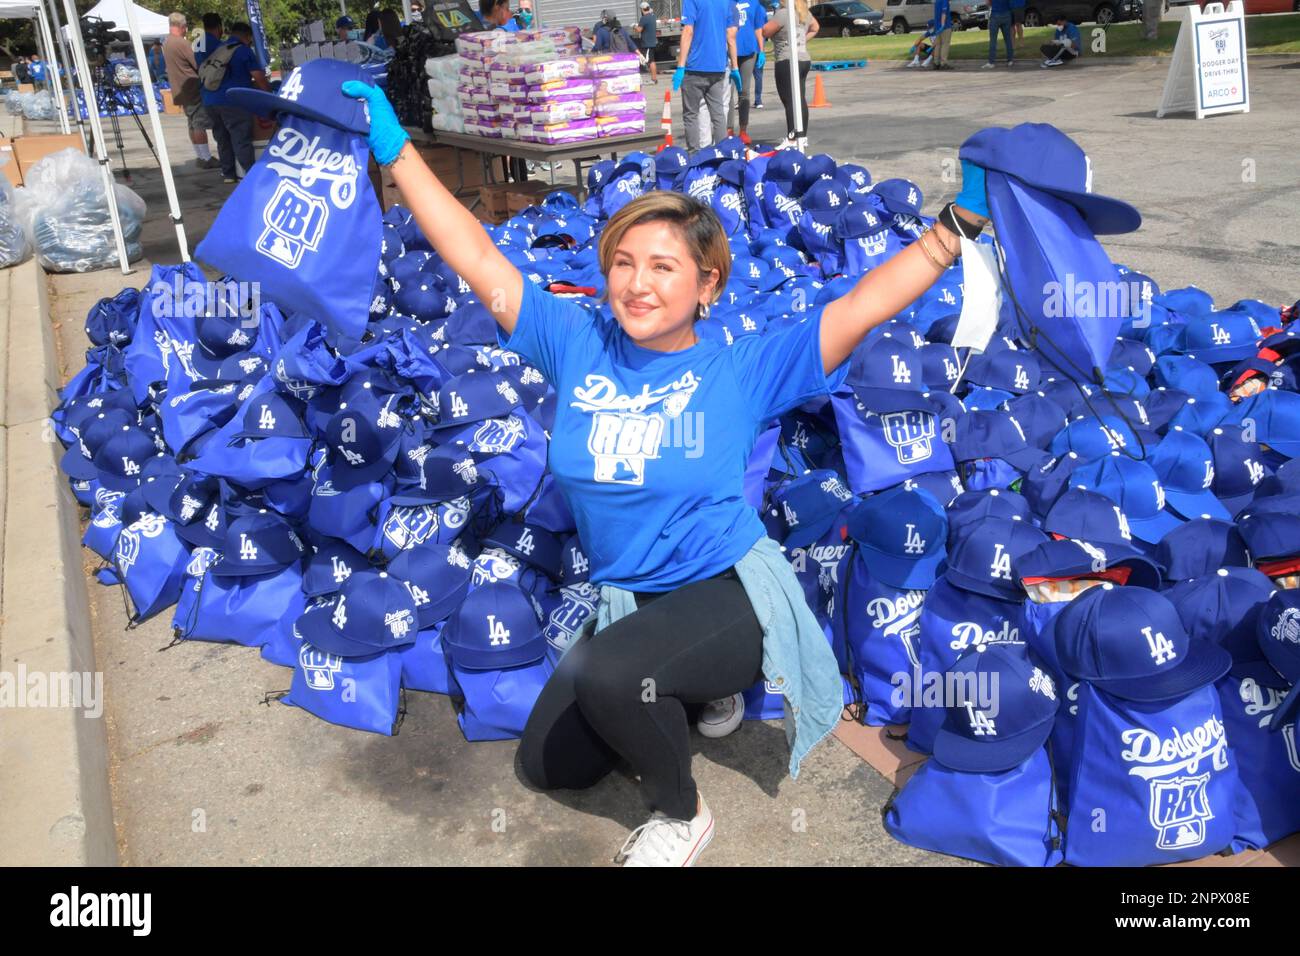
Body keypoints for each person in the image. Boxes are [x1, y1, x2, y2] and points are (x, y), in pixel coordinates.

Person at [342, 76, 992, 866]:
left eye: (661, 267)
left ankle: (682, 814)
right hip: (629, 601)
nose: (637, 283)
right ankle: (676, 685)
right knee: (552, 765)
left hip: (726, 591)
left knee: (615, 679)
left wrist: (950, 229)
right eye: (622, 263)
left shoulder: (744, 368)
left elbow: (861, 304)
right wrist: (397, 151)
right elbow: (477, 255)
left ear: (707, 284)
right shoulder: (576, 342)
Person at [202, 21, 270, 184]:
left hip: (210, 100)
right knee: (241, 137)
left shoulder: (219, 48)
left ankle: (229, 174)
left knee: (222, 138)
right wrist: (269, 95)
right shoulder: (243, 51)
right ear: (247, 36)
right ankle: (251, 176)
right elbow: (259, 77)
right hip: (232, 101)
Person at [674, 0, 741, 151]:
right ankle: (723, 153)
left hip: (695, 66)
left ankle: (694, 154)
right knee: (718, 114)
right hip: (718, 66)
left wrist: (680, 66)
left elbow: (688, 31)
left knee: (691, 114)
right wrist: (735, 68)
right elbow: (731, 36)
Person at [163, 12, 217, 169]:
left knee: (192, 124)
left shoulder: (166, 43)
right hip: (193, 89)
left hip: (180, 90)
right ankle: (206, 158)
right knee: (199, 124)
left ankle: (200, 156)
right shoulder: (182, 44)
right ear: (182, 26)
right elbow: (198, 63)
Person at [761, 0, 817, 145]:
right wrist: (802, 39)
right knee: (800, 99)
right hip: (803, 58)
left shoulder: (783, 14)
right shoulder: (804, 12)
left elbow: (765, 31)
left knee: (789, 99)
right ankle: (802, 136)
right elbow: (815, 27)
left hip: (787, 59)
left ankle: (792, 137)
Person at [728, 0, 766, 144]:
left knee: (744, 92)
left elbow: (758, 28)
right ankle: (728, 129)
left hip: (749, 51)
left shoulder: (754, 4)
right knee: (728, 94)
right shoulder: (725, 3)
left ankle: (743, 130)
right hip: (729, 52)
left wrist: (761, 50)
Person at [632, 1, 659, 83]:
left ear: (642, 9)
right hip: (652, 42)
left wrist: (634, 26)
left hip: (647, 43)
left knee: (650, 61)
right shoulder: (653, 16)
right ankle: (654, 79)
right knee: (651, 60)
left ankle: (653, 79)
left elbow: (639, 30)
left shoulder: (644, 18)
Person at [985, 0, 1014, 68]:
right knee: (1008, 39)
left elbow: (987, 3)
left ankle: (991, 62)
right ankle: (1010, 60)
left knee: (993, 40)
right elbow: (1011, 4)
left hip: (995, 14)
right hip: (1006, 14)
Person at [931, 0, 954, 70]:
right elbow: (943, 12)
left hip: (937, 26)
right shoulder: (945, 1)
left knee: (938, 45)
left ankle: (936, 63)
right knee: (945, 44)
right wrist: (943, 24)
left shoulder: (937, 1)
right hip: (945, 26)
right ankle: (943, 63)